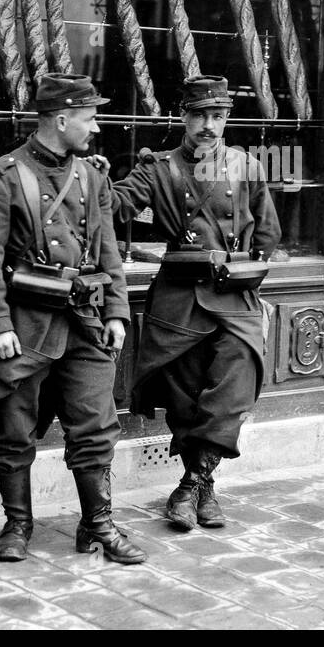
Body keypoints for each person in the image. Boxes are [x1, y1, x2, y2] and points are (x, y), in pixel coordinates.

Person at [0, 74, 145, 565]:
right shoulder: (3, 178)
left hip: (84, 321)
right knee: (13, 430)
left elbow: (109, 256)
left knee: (96, 427)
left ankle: (96, 523)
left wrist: (117, 311)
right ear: (62, 120)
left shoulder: (92, 177)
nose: (96, 127)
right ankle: (17, 525)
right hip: (24, 325)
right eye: (89, 117)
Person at [111, 75, 280, 532]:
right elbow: (118, 205)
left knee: (234, 387)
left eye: (218, 116)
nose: (209, 125)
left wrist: (249, 274)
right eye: (200, 115)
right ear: (182, 116)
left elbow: (267, 233)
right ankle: (203, 492)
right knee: (185, 400)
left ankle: (189, 483)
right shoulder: (157, 167)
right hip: (180, 297)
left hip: (233, 296)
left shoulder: (246, 166)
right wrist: (87, 178)